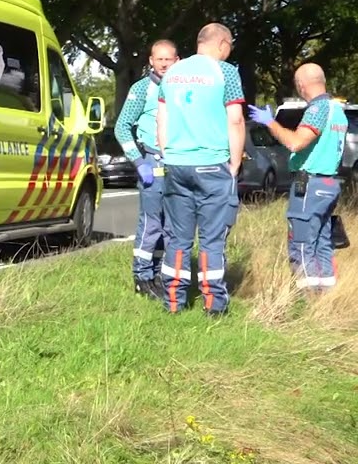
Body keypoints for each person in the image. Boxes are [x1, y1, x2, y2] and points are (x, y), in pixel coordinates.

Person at [156, 23, 245, 316]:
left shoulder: (172, 73)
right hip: (212, 163)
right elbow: (235, 119)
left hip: (176, 164)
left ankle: (173, 301)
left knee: (178, 237)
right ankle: (214, 304)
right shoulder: (226, 72)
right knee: (211, 238)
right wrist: (234, 162)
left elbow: (162, 119)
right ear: (222, 44)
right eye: (229, 45)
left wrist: (168, 154)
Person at [248, 63, 346, 293]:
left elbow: (296, 142)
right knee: (322, 244)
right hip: (329, 184)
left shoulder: (317, 109)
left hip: (310, 185)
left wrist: (270, 122)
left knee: (301, 244)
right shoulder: (337, 109)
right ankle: (327, 299)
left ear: (302, 85)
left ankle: (306, 299)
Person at [114, 39, 179, 299]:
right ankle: (142, 276)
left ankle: (161, 274)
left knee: (171, 226)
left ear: (177, 60)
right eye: (159, 59)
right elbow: (121, 126)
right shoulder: (141, 89)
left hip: (177, 165)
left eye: (169, 59)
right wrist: (138, 161)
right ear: (151, 61)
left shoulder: (182, 88)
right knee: (151, 223)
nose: (164, 64)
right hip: (151, 162)